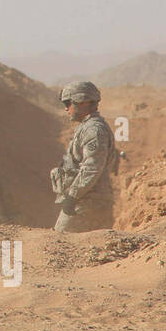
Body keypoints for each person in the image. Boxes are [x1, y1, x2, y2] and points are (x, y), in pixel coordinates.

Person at [50, 82, 116, 232]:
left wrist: (72, 196)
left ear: (83, 101)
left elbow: (92, 168)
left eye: (68, 103)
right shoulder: (87, 127)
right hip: (86, 200)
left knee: (61, 243)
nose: (66, 108)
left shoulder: (93, 130)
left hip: (88, 202)